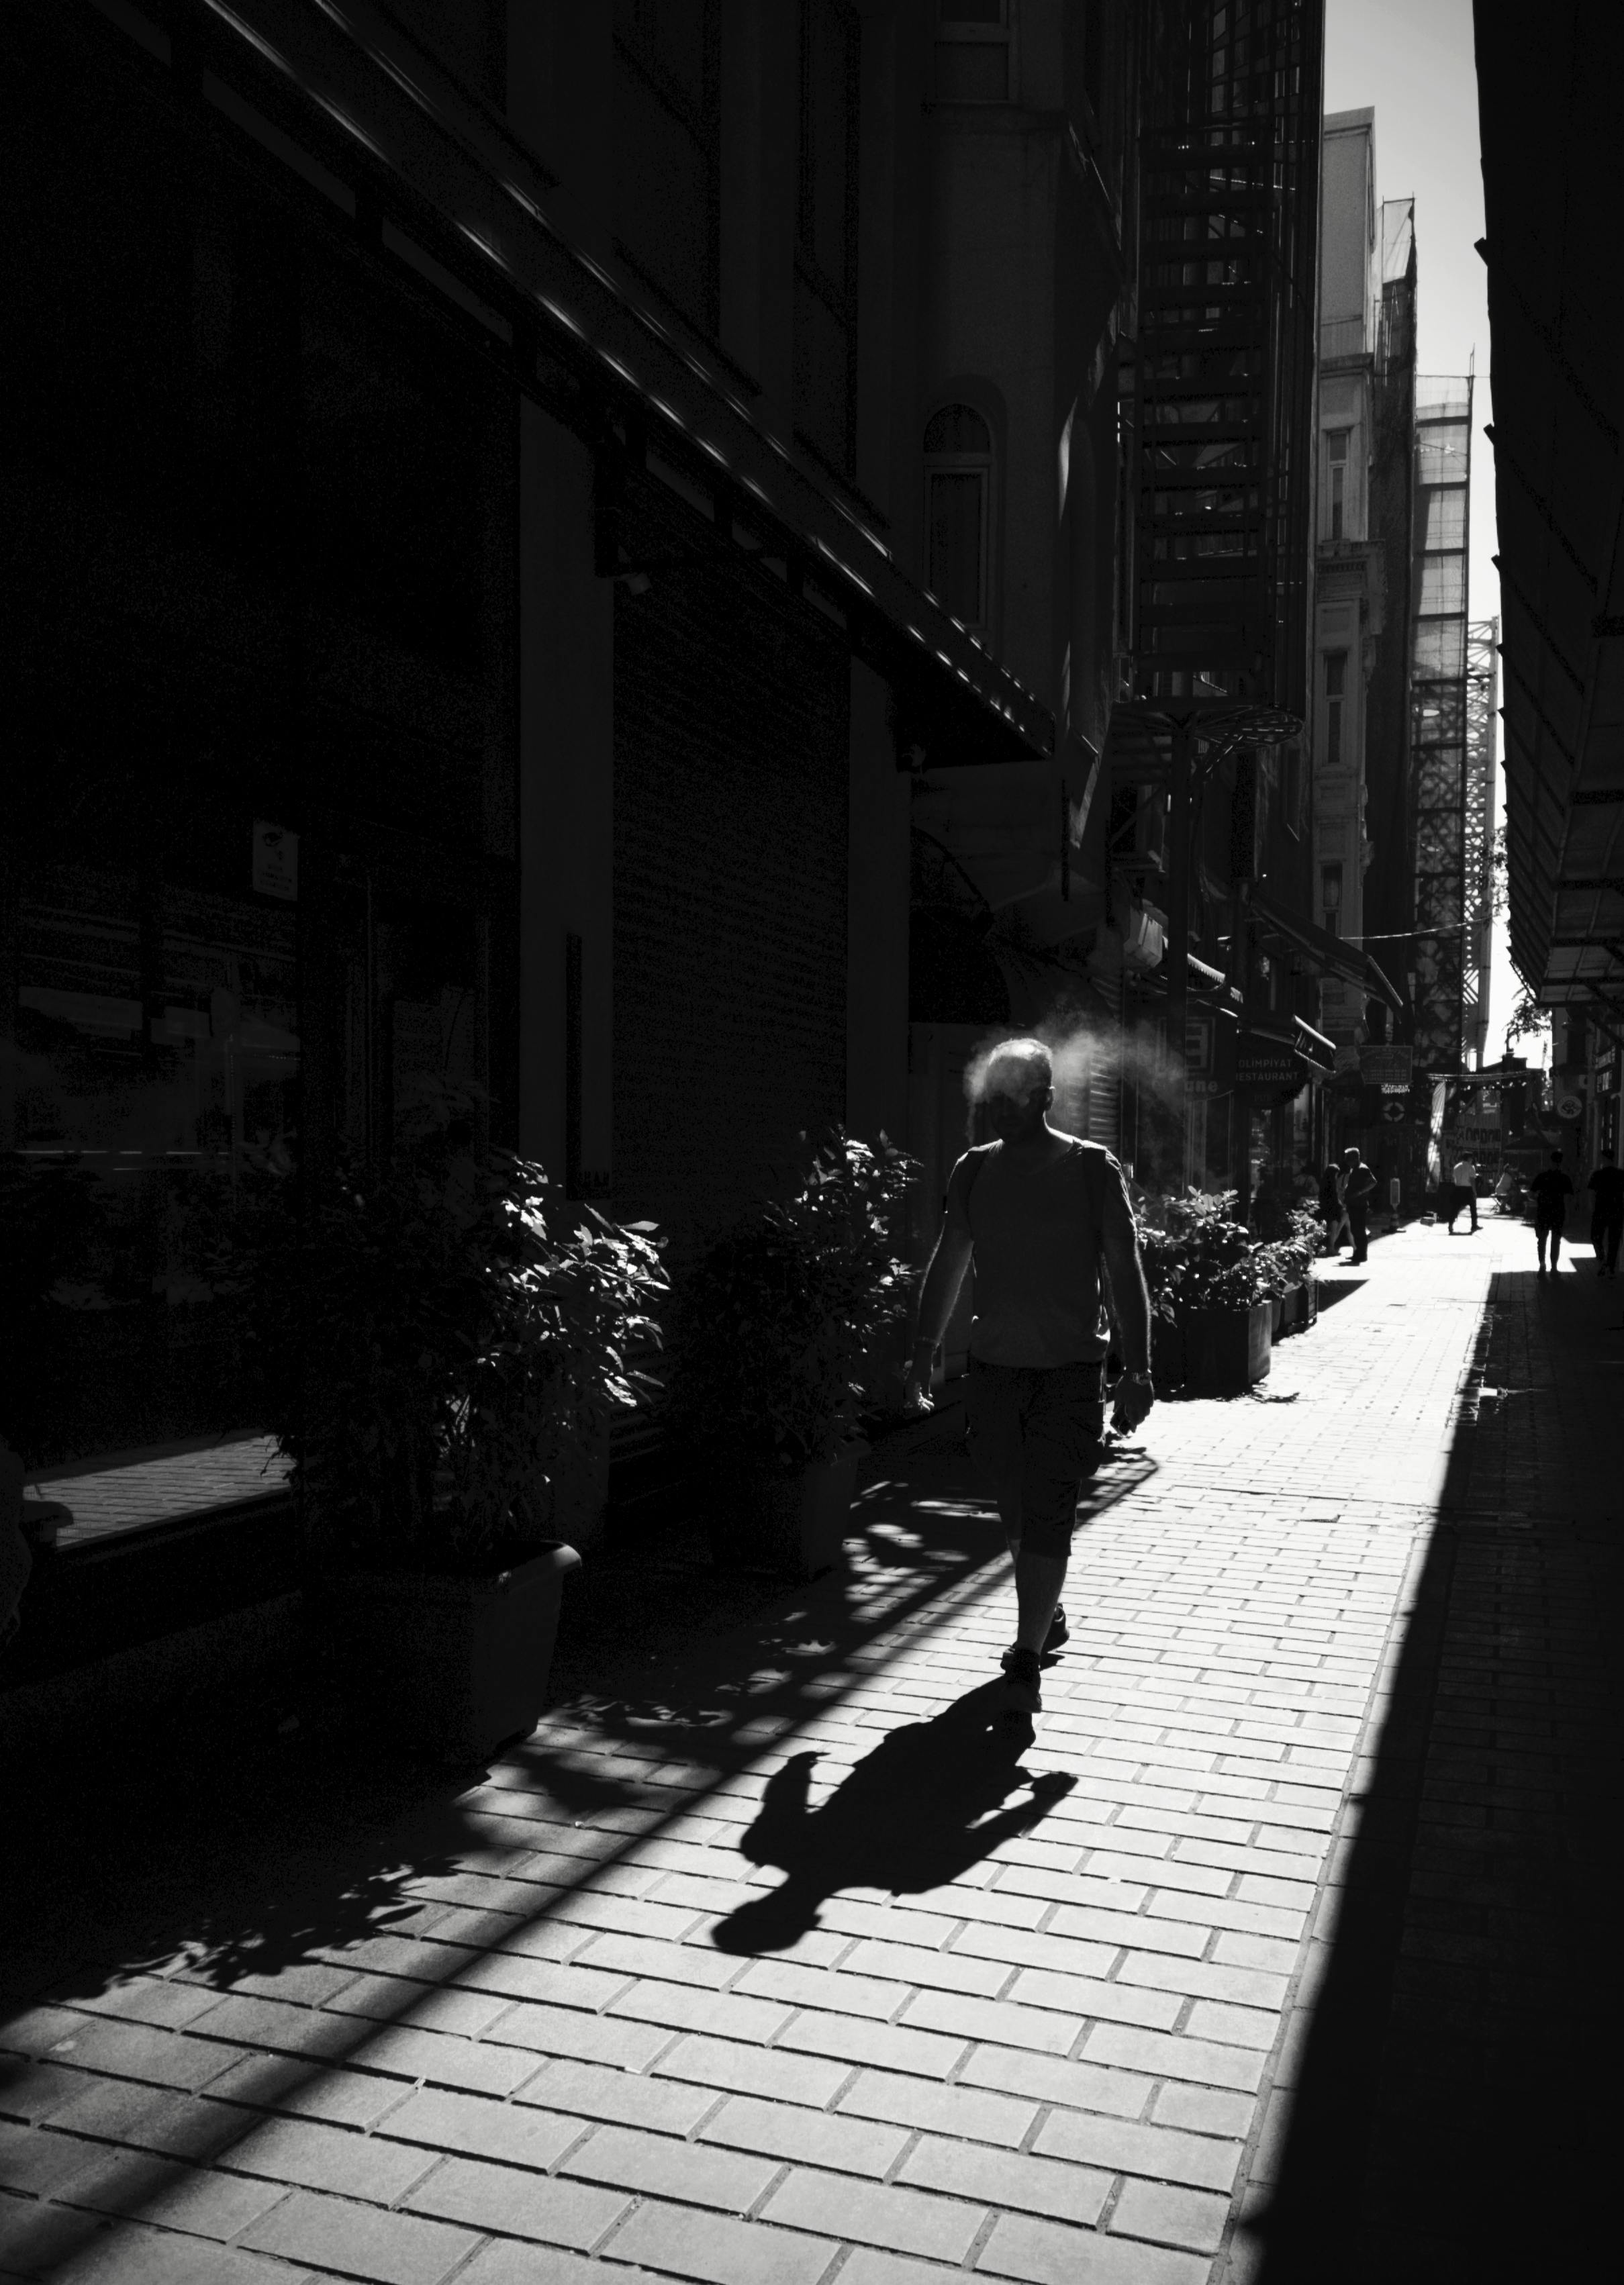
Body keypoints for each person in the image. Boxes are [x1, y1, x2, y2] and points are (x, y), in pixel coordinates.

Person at [902, 1038, 1155, 1716]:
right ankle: (1045, 1605)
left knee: (1047, 1506)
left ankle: (1023, 1653)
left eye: (1017, 1094)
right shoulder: (974, 1170)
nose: (1002, 1108)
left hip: (1068, 1371)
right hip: (994, 1369)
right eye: (995, 1095)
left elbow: (1124, 1271)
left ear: (1047, 1096)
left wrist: (1137, 1368)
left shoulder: (1090, 1168)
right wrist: (925, 1344)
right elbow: (949, 1257)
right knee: (1013, 1502)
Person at [1529, 1149, 1574, 1273]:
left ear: (1550, 1162)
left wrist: (1538, 1198)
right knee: (1556, 1241)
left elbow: (1531, 1194)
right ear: (1561, 1163)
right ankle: (1554, 1267)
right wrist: (1568, 1215)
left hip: (1543, 1211)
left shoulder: (1542, 1177)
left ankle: (1542, 1264)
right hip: (1558, 1212)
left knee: (1542, 1239)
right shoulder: (1565, 1178)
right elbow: (1569, 1198)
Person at [1586, 1147, 1624, 1279]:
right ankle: (1611, 1266)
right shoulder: (1621, 1175)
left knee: (1596, 1237)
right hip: (1617, 1211)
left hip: (1600, 1210)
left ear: (1603, 1159)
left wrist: (1592, 1209)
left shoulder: (1597, 1175)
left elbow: (1591, 1193)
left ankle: (1602, 1260)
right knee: (1614, 1240)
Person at [1341, 1145, 1376, 1265]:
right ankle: (1357, 1253)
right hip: (1353, 1204)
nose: (1348, 1163)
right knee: (1355, 1230)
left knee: (1359, 1230)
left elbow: (1373, 1182)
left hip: (1359, 1205)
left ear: (1355, 1159)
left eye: (1349, 1160)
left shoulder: (1363, 1169)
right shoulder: (1355, 1169)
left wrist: (1360, 1192)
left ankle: (1362, 1255)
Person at [1318, 1160, 1348, 1256]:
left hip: (1327, 1210)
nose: (1337, 1177)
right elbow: (1334, 1200)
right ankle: (1331, 1248)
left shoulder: (1324, 1184)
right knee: (1335, 1229)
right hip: (1332, 1211)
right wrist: (1340, 1207)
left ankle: (1330, 1247)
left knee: (1333, 1228)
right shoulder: (1331, 1186)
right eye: (1336, 1175)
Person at [1447, 1153, 1480, 1234]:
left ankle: (1451, 1224)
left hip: (1458, 1189)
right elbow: (1472, 1181)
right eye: (1471, 1158)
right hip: (1468, 1189)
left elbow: (1454, 1178)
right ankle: (1474, 1225)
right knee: (1473, 1207)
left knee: (1455, 1207)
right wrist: (1475, 1192)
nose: (1472, 1160)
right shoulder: (1471, 1167)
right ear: (1469, 1158)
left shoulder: (1457, 1166)